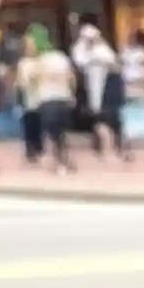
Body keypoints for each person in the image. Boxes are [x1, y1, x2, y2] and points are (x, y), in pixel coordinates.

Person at [72, 24, 127, 160]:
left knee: (110, 119)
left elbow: (113, 62)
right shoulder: (80, 49)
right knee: (97, 119)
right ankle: (100, 147)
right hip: (90, 88)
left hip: (107, 88)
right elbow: (80, 62)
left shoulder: (103, 49)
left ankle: (115, 147)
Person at [35, 34, 77, 175]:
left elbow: (36, 79)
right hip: (62, 98)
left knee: (51, 133)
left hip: (47, 99)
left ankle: (57, 161)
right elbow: (72, 78)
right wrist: (72, 94)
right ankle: (64, 160)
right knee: (61, 132)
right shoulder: (63, 58)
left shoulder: (41, 61)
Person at [16, 26, 49, 164]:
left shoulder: (43, 60)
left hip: (41, 97)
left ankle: (39, 148)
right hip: (28, 98)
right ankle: (31, 150)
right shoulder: (23, 63)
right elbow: (20, 81)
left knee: (40, 125)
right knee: (29, 124)